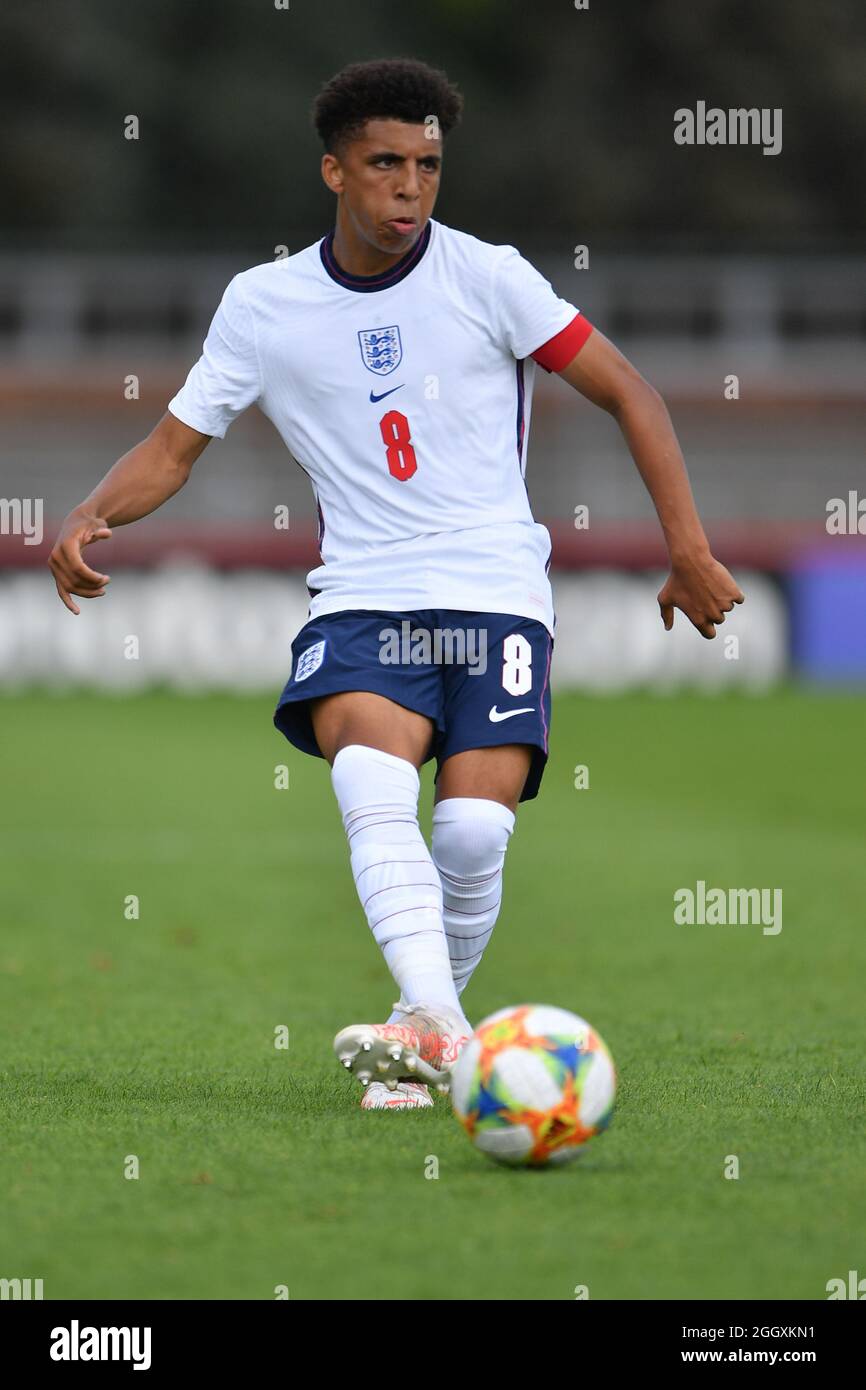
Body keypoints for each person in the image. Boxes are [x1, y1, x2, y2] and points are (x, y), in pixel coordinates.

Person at [48, 58, 743, 1111]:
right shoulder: (264, 304)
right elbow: (173, 446)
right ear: (333, 171)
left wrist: (686, 548)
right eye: (384, 164)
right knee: (372, 784)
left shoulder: (488, 276)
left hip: (499, 591)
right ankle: (460, 1043)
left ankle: (422, 1028)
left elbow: (630, 392)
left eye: (426, 165)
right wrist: (95, 511)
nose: (409, 187)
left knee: (468, 833)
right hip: (364, 596)